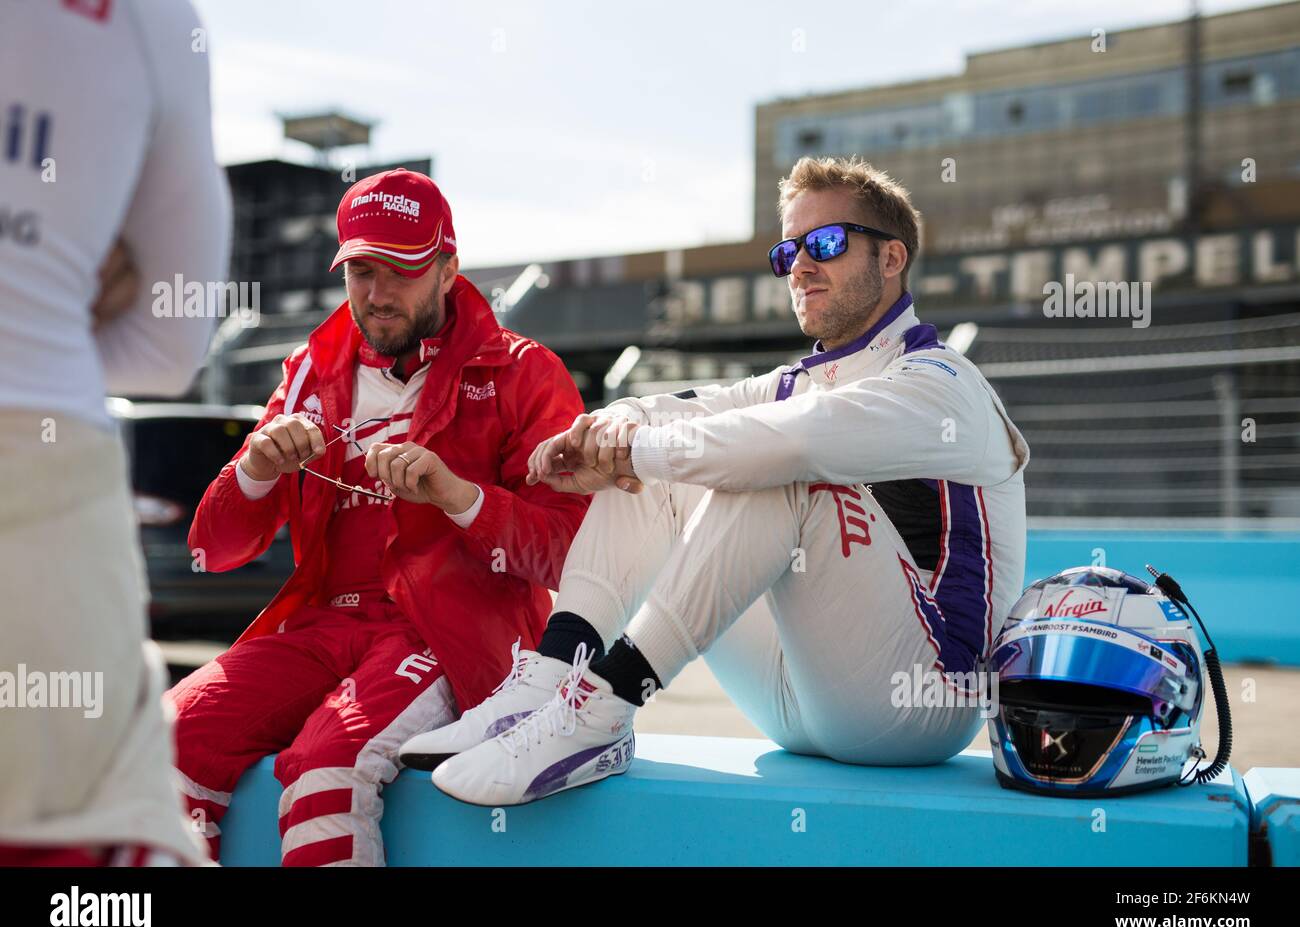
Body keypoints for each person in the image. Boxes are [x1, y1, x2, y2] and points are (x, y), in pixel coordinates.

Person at [401, 156, 1031, 806]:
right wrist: (608, 429)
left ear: (892, 257)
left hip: (922, 703)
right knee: (653, 457)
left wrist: (638, 450)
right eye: (788, 251)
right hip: (794, 699)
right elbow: (675, 413)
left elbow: (798, 440)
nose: (801, 266)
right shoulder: (792, 383)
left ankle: (605, 706)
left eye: (827, 244)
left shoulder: (944, 384)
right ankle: (554, 677)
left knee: (779, 467)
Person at [166, 167, 590, 865]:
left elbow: (567, 554)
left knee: (326, 764)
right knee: (167, 736)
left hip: (452, 632)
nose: (377, 293)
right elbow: (214, 548)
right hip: (325, 624)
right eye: (361, 270)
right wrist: (254, 469)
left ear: (449, 269)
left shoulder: (524, 372)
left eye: (402, 270)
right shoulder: (309, 369)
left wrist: (460, 497)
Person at [0, 0, 230, 865]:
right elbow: (170, 345)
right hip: (39, 482)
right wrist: (56, 293)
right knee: (84, 863)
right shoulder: (147, 18)